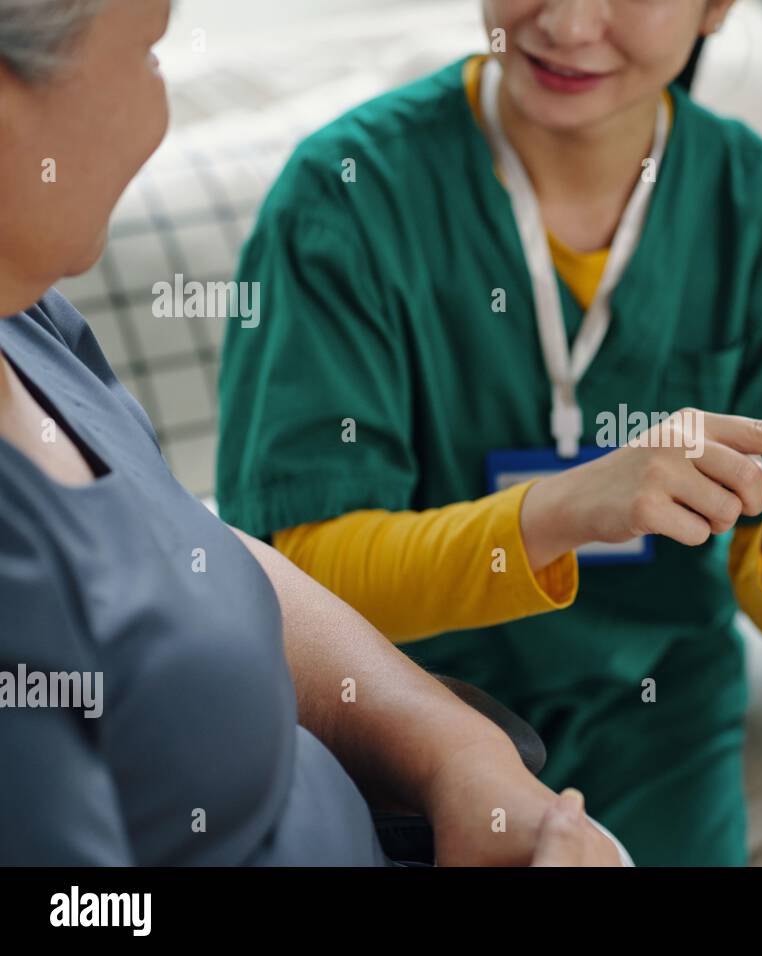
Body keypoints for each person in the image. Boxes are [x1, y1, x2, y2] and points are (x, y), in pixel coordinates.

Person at [216, 0, 762, 866]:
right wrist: (562, 511)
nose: (567, 25)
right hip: (394, 718)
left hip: (660, 722)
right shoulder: (345, 196)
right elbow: (293, 580)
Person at [0, 0, 622, 867]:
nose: (573, 22)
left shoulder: (27, 321)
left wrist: (459, 756)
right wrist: (549, 518)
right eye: (148, 54)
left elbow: (198, 553)